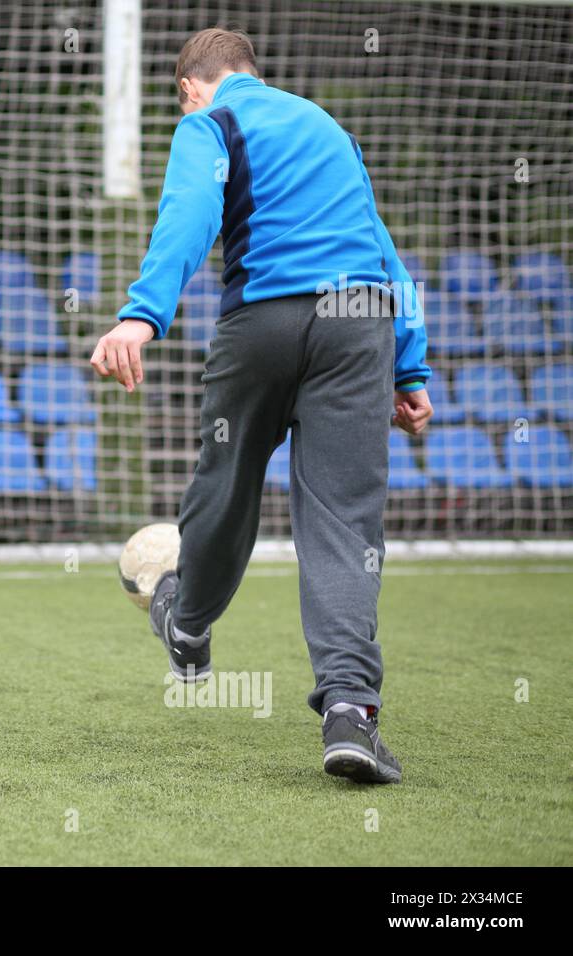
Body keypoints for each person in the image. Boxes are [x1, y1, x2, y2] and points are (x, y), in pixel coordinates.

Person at [90, 27, 433, 784]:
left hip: (265, 321)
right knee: (345, 518)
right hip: (359, 321)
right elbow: (383, 247)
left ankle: (186, 622)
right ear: (253, 72)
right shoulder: (327, 126)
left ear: (191, 86)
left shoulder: (207, 123)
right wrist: (410, 366)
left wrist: (141, 315)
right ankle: (350, 712)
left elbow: (188, 214)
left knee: (228, 480)